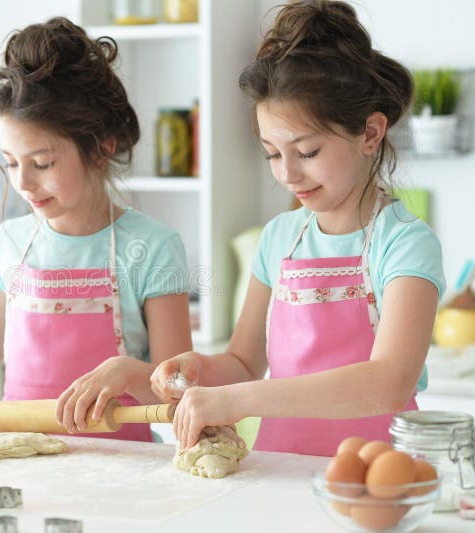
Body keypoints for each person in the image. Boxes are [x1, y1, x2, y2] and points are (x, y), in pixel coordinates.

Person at [150, 0, 445, 456]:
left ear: (370, 134)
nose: (286, 174)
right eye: (272, 153)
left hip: (373, 481)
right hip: (277, 470)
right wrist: (201, 369)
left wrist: (239, 399)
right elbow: (246, 362)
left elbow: (388, 382)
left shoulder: (406, 244)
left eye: (306, 152)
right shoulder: (279, 238)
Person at [0, 17, 193, 441]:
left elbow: (179, 388)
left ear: (101, 147)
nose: (22, 182)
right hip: (21, 456)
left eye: (42, 164)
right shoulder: (10, 242)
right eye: (11, 162)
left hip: (122, 470)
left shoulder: (153, 247)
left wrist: (128, 373)